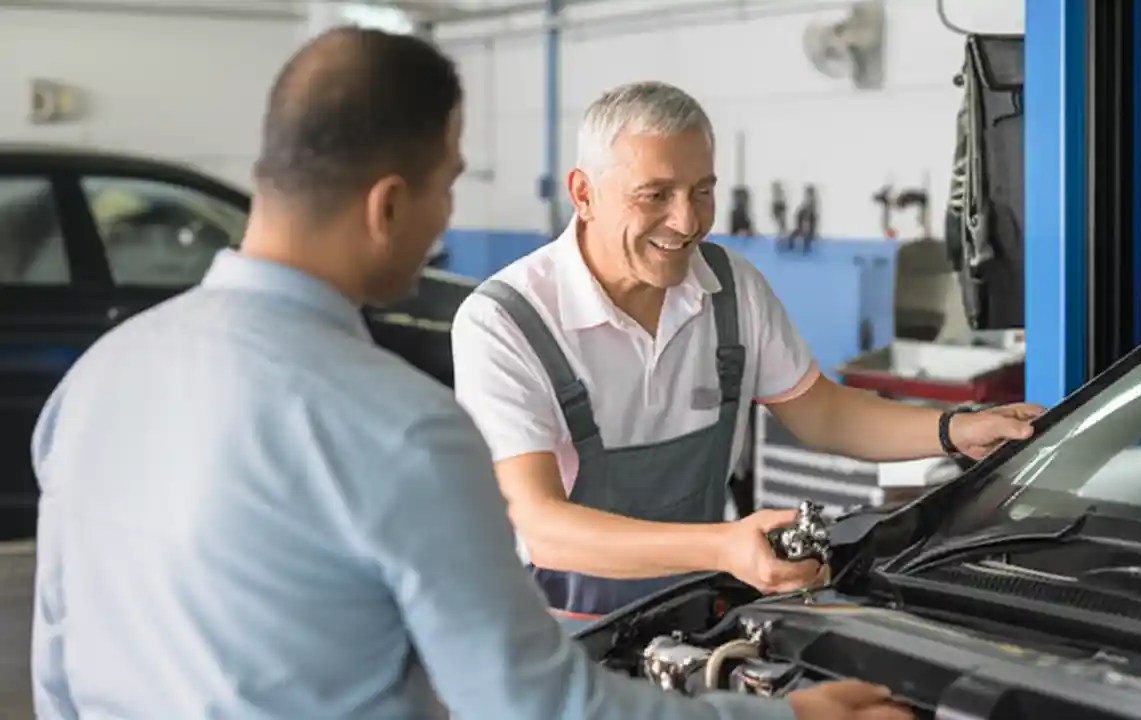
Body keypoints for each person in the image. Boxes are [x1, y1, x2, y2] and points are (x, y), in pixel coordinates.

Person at [29, 27, 909, 720]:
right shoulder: (399, 425)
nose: (448, 218)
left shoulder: (98, 380)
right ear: (388, 205)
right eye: (449, 184)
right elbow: (532, 704)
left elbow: (58, 669)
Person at [450, 80, 1043, 624]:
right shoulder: (505, 322)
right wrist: (723, 545)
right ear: (584, 193)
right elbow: (544, 527)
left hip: (693, 613)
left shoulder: (729, 290)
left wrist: (956, 430)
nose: (686, 222)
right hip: (548, 635)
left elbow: (824, 412)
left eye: (701, 191)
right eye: (655, 194)